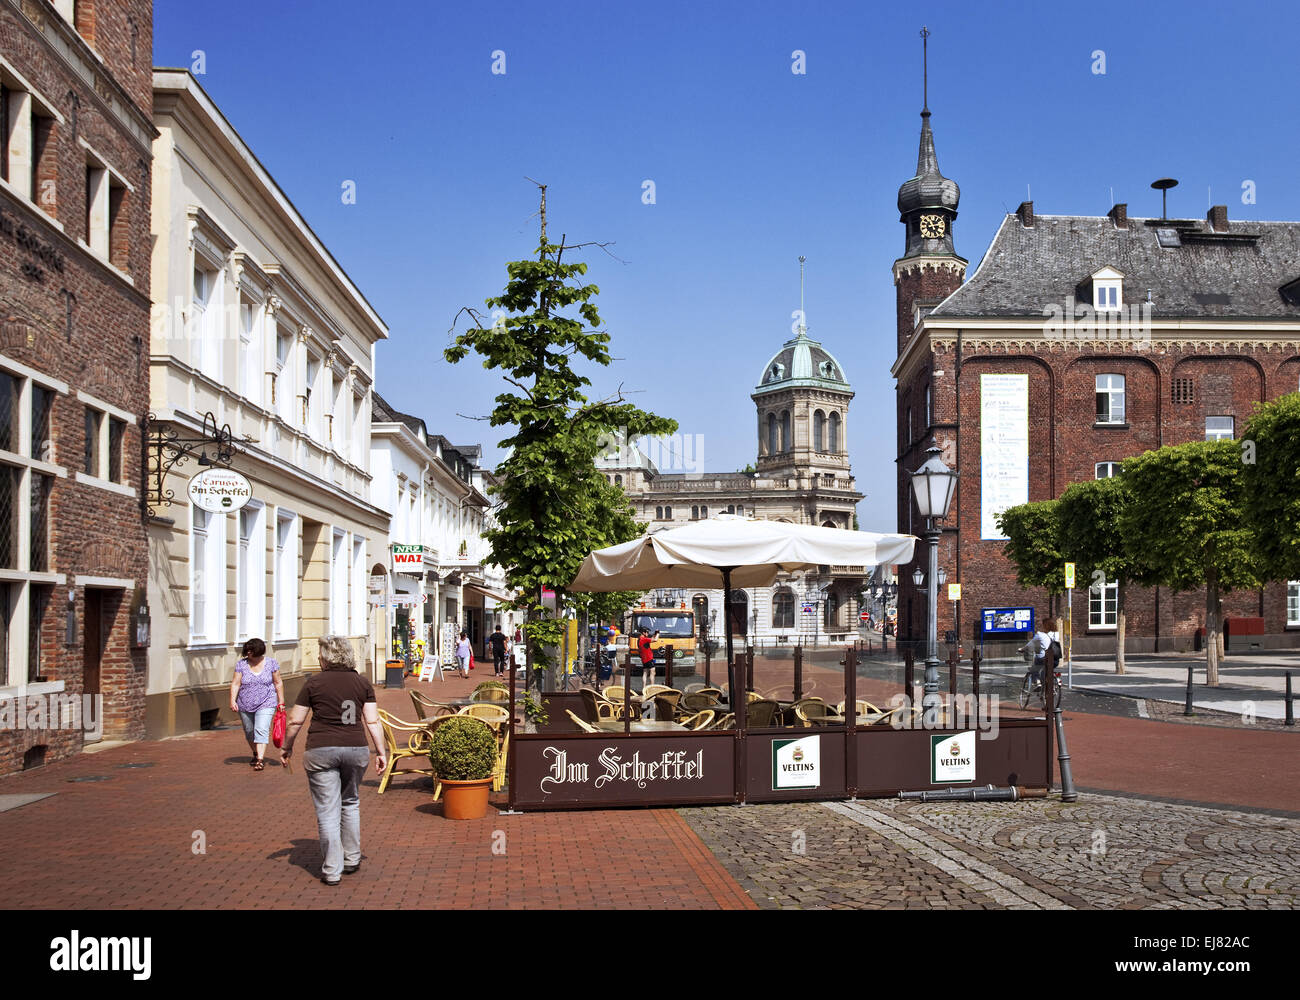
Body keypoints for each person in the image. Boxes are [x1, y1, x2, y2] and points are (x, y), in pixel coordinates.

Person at [280, 634, 386, 885]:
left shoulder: (313, 683)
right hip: (355, 749)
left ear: (327, 658)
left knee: (327, 810)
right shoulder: (362, 683)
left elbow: (295, 720)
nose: (317, 658)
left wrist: (286, 747)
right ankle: (351, 858)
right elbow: (372, 720)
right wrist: (381, 752)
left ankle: (331, 869)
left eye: (320, 655)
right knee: (350, 802)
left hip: (320, 750)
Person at [229, 638, 284, 772]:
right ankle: (255, 752)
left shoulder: (271, 663)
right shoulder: (241, 664)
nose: (248, 653)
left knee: (261, 729)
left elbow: (278, 683)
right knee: (249, 731)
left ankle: (260, 759)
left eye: (251, 651)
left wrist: (281, 701)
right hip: (244, 703)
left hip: (267, 702)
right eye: (247, 650)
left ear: (258, 651)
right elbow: (236, 683)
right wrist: (232, 700)